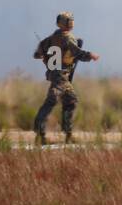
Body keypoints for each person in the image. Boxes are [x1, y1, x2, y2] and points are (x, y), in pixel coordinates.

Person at [33, 11, 99, 145]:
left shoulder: (51, 38)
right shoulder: (68, 38)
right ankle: (40, 135)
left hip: (55, 75)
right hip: (61, 76)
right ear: (67, 23)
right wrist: (90, 55)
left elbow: (37, 54)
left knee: (70, 101)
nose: (71, 22)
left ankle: (67, 135)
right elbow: (78, 53)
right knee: (51, 102)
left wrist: (45, 56)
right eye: (69, 20)